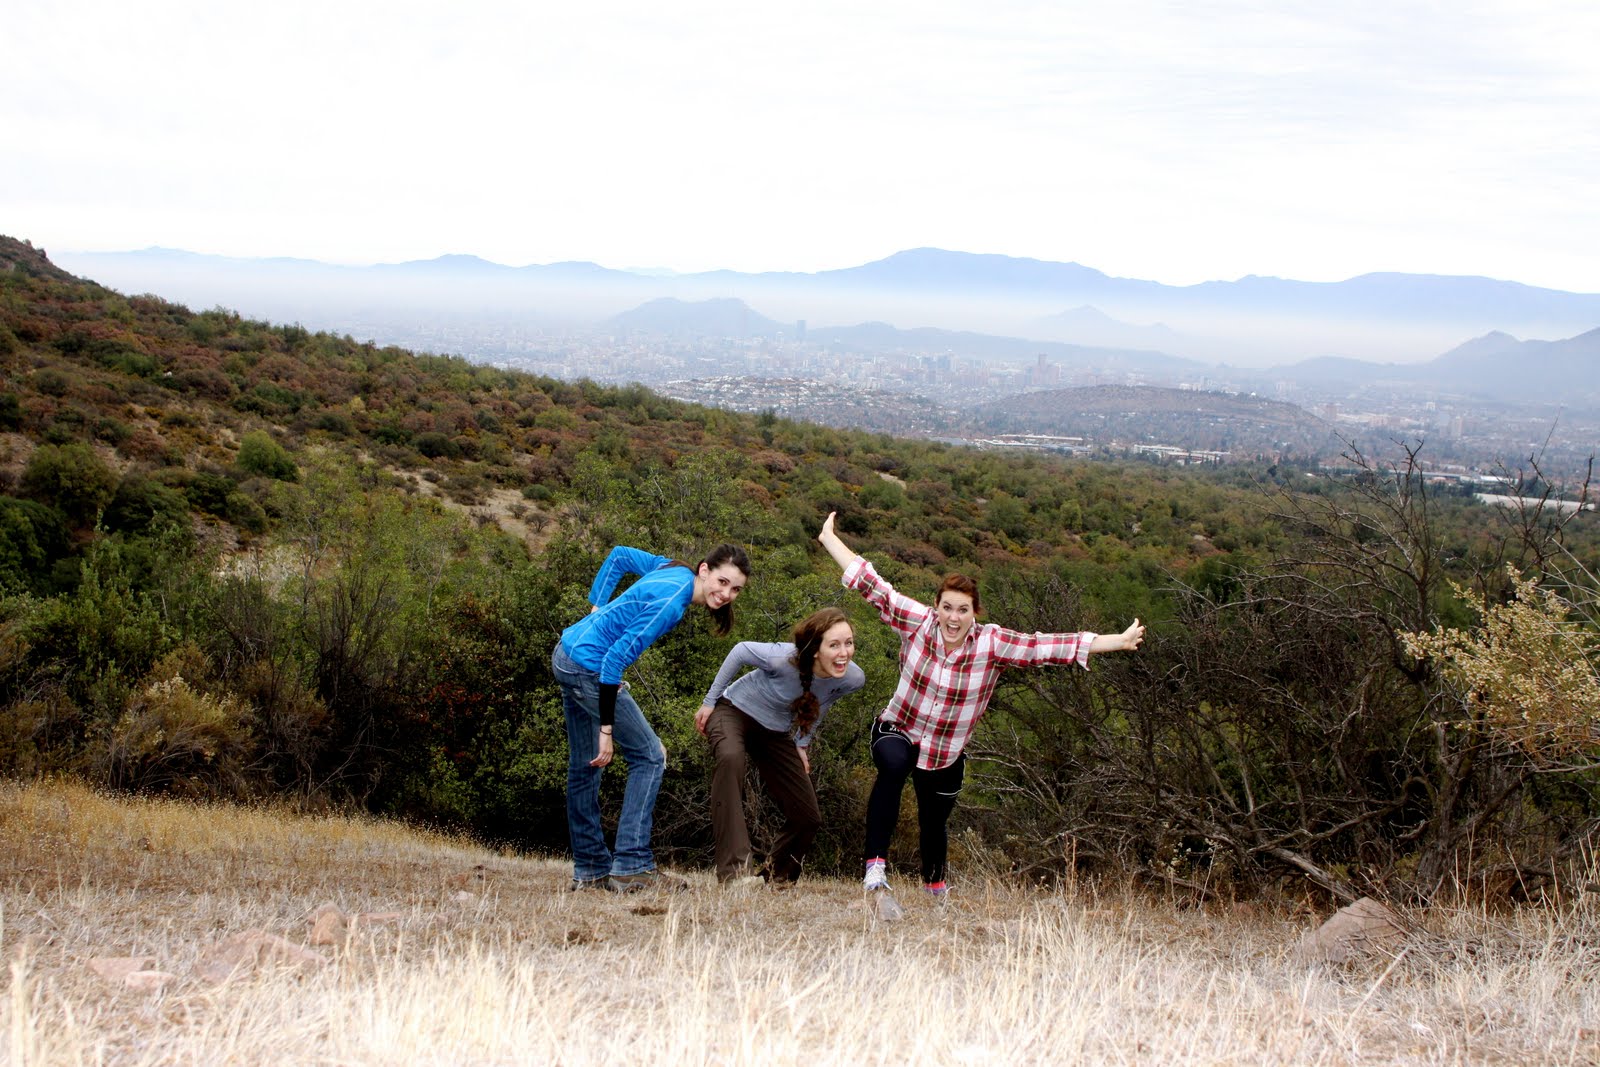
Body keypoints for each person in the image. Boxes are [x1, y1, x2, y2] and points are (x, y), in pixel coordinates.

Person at [816, 512, 1144, 897]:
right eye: (947, 607)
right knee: (893, 765)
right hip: (898, 728)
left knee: (933, 819)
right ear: (935, 606)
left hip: (944, 751)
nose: (953, 618)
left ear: (975, 613)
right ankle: (875, 868)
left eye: (963, 610)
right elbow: (874, 587)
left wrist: (1114, 641)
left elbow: (1046, 646)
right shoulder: (918, 622)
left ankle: (936, 887)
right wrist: (829, 539)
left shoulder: (992, 643)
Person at [553, 542, 750, 892]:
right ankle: (631, 865)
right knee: (650, 756)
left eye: (735, 589)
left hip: (568, 653)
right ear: (704, 570)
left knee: (585, 767)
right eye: (722, 582)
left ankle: (591, 871)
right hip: (588, 669)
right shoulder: (670, 605)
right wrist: (607, 729)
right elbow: (613, 662)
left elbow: (619, 555)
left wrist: (596, 608)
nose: (726, 594)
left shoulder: (674, 569)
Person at [695, 607, 866, 886]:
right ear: (815, 649)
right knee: (730, 759)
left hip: (773, 733)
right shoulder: (781, 658)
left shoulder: (852, 678)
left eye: (848, 643)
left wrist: (802, 743)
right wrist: (709, 701)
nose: (844, 652)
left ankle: (776, 878)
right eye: (834, 645)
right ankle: (734, 875)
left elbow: (823, 702)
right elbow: (740, 651)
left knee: (807, 815)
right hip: (732, 711)